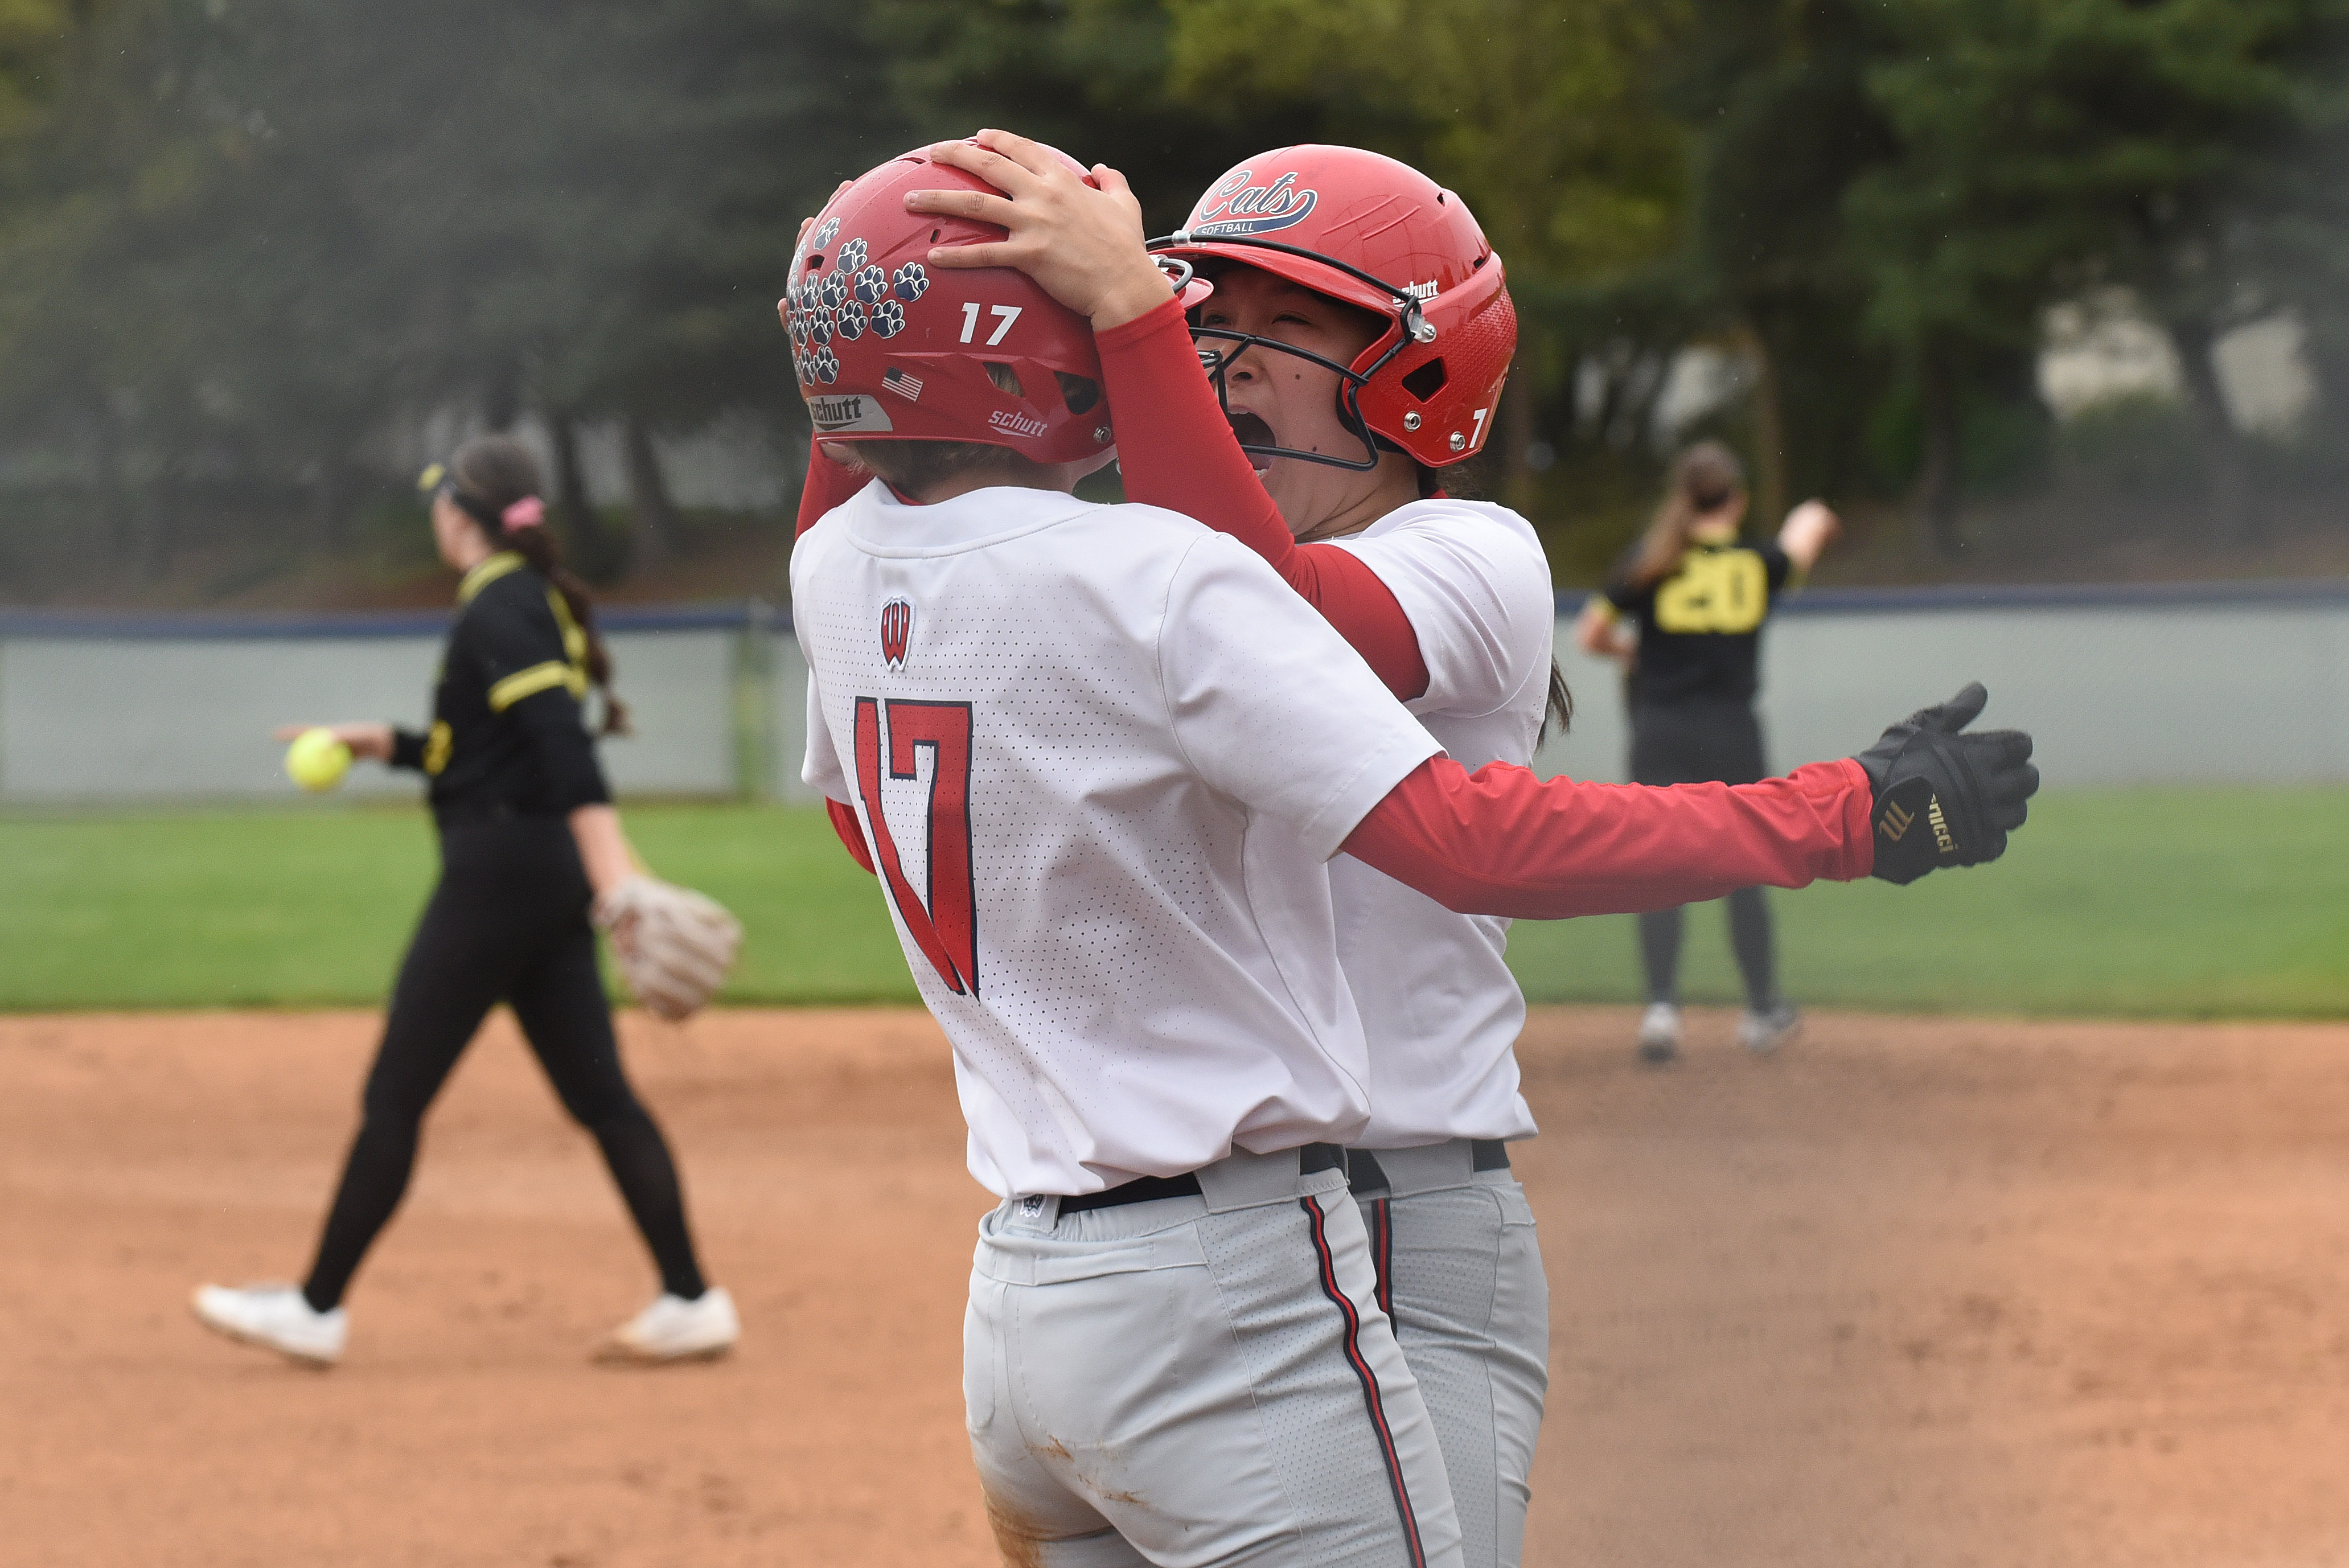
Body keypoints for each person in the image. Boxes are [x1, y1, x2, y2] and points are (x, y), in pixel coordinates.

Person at [782, 141, 2035, 1567]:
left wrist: (1021, 334)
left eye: (1289, 325)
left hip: (1391, 1223)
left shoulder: (1468, 553)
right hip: (1249, 1248)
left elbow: (1283, 605)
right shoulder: (1129, 568)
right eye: (1207, 317)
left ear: (1414, 374)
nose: (1221, 351)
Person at [191, 434, 738, 1369]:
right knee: (600, 1096)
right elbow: (488, 748)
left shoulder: (500, 606)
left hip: (501, 876)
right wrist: (386, 744)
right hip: (532, 872)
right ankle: (690, 1295)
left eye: (441, 501)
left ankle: (316, 1305)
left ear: (461, 516)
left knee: (395, 1092)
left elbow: (563, 749)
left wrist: (617, 880)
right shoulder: (521, 601)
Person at [1572, 442, 1838, 1064]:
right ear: (1737, 501)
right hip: (1732, 732)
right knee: (1747, 868)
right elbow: (1802, 540)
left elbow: (1591, 633)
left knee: (1658, 869)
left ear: (1682, 499)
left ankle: (1661, 1012)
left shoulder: (1649, 562)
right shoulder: (1756, 563)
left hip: (1661, 730)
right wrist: (1814, 514)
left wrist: (1636, 655)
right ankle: (1762, 1009)